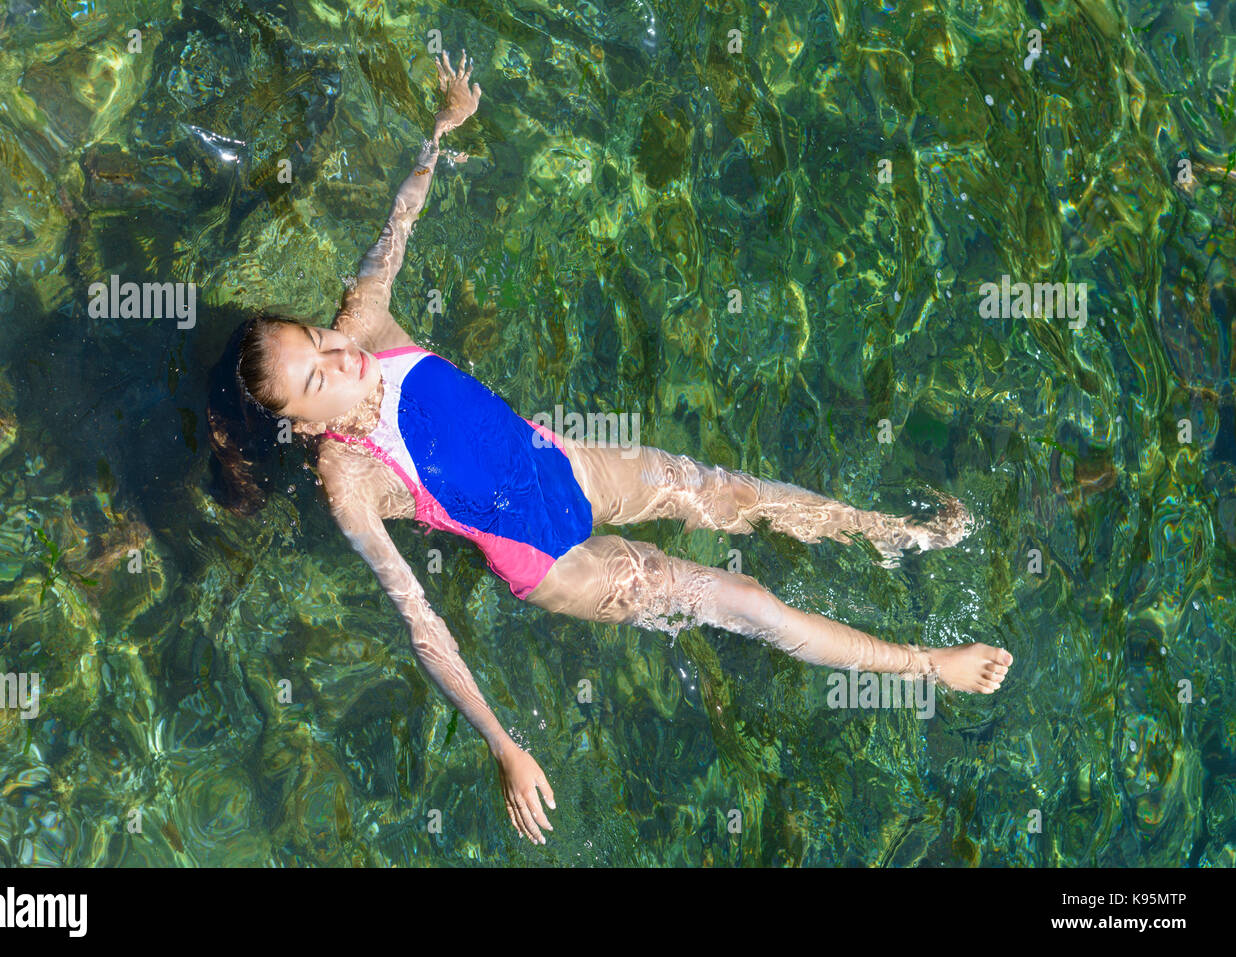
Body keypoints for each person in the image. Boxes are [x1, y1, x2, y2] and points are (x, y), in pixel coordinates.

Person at [207, 50, 1013, 846]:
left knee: (738, 496)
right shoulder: (347, 477)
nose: (339, 359)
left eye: (318, 338)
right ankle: (927, 664)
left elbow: (398, 224)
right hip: (553, 561)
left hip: (568, 463)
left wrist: (441, 128)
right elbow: (420, 622)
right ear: (307, 424)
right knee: (752, 603)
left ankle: (897, 534)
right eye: (318, 378)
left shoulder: (366, 324)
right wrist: (503, 743)